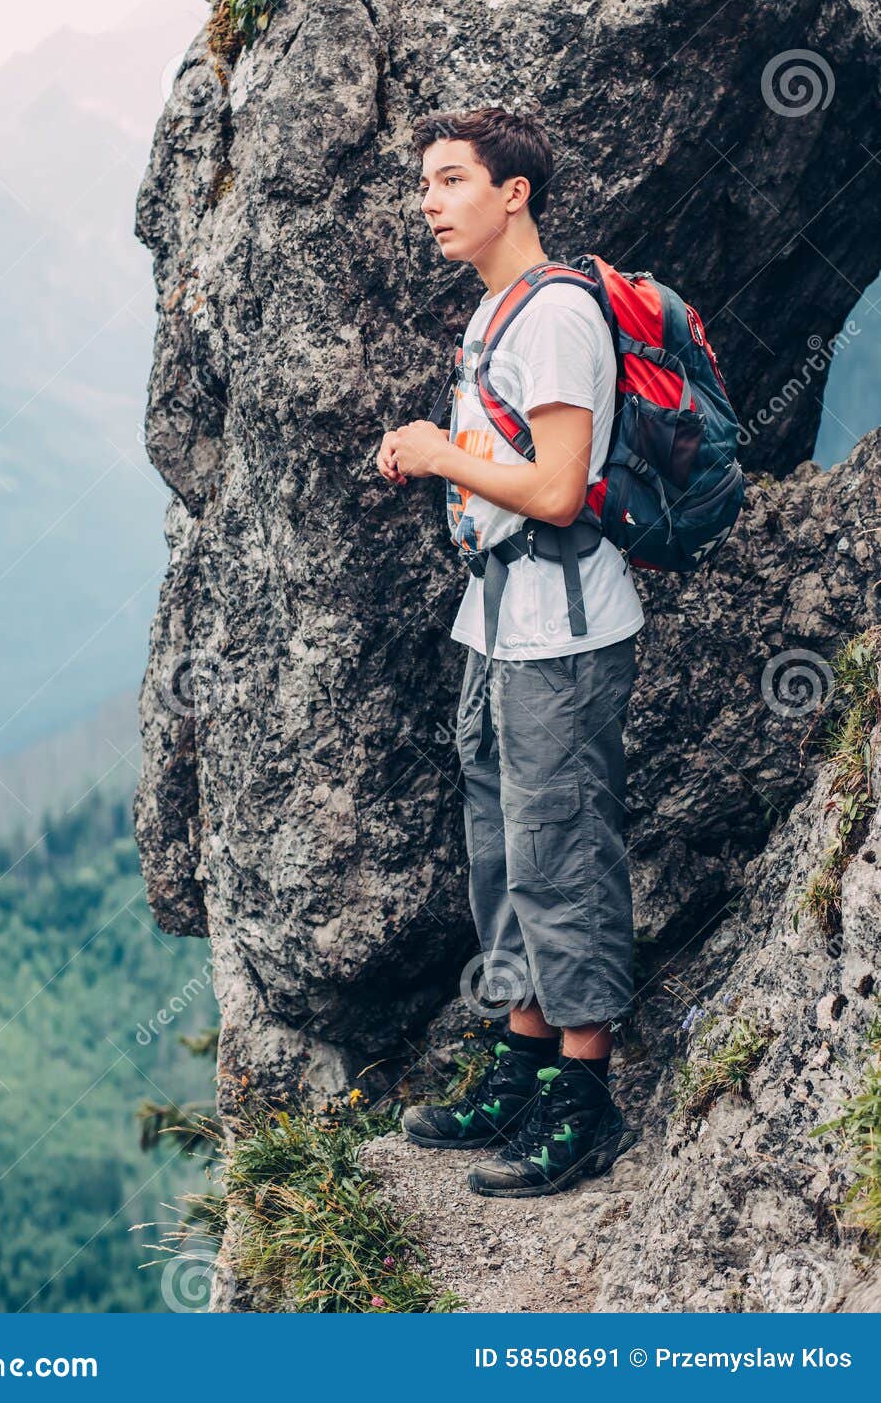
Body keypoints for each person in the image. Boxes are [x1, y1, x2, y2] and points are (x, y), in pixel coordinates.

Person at [374, 106, 644, 1197]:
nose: (429, 203)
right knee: (502, 855)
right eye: (425, 185)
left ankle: (583, 1098)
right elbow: (503, 465)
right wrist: (431, 456)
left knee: (562, 855)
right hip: (496, 622)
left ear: (512, 193)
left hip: (563, 633)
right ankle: (520, 1063)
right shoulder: (496, 313)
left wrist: (443, 451)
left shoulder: (556, 316)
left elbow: (559, 487)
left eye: (449, 181)